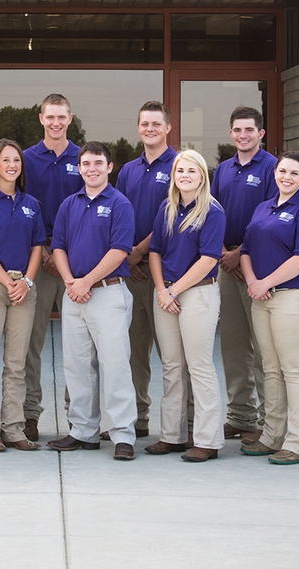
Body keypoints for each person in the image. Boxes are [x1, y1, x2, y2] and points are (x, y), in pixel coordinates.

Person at [46, 141, 137, 461]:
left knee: (115, 365)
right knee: (77, 365)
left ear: (110, 167)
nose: (92, 169)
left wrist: (87, 281)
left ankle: (123, 433)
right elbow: (58, 245)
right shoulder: (69, 204)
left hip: (107, 293)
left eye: (98, 163)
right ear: (79, 167)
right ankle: (82, 431)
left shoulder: (120, 203)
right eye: (86, 163)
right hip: (75, 294)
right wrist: (71, 280)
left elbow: (120, 250)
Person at [239, 152, 299, 465]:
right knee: (271, 368)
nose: (286, 177)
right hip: (263, 297)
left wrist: (266, 283)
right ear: (274, 174)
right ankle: (271, 435)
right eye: (282, 171)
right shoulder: (264, 207)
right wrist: (253, 282)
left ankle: (298, 442)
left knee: (293, 368)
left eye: (293, 173)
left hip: (295, 296)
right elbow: (246, 249)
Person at [145, 149, 225, 463]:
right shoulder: (167, 207)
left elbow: (208, 259)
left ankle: (207, 440)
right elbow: (154, 251)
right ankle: (172, 436)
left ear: (202, 175)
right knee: (171, 367)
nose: (185, 176)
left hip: (197, 295)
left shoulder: (212, 211)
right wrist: (162, 289)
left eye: (192, 171)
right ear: (174, 176)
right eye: (180, 171)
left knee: (199, 366)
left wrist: (175, 290)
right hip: (166, 294)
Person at [0, 139, 46, 452]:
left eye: (16, 160)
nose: (12, 165)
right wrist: (7, 281)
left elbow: (37, 245)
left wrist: (26, 280)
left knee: (16, 363)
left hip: (24, 288)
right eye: (5, 160)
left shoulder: (31, 204)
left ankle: (14, 429)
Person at [211, 106, 277, 443]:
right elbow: (214, 213)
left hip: (258, 268)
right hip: (227, 264)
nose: (243, 135)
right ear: (231, 133)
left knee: (264, 348)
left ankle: (269, 420)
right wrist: (224, 252)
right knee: (233, 346)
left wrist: (241, 255)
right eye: (237, 130)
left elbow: (269, 218)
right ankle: (241, 416)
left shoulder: (272, 168)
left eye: (249, 130)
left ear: (260, 133)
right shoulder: (222, 169)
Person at [22, 93, 84, 442]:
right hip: (38, 258)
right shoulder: (28, 159)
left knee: (78, 345)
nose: (56, 122)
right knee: (31, 343)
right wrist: (42, 251)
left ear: (70, 118)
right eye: (50, 117)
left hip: (76, 261)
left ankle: (78, 418)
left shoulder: (84, 157)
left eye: (62, 116)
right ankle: (30, 415)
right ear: (41, 118)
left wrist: (63, 254)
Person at [116, 101, 178, 440]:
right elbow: (120, 216)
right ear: (138, 128)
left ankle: (182, 421)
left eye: (157, 123)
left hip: (168, 274)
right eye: (145, 123)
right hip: (132, 274)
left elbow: (176, 214)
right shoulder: (128, 170)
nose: (150, 128)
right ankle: (138, 418)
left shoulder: (180, 165)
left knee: (173, 355)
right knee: (134, 353)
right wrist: (128, 257)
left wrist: (140, 251)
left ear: (168, 127)